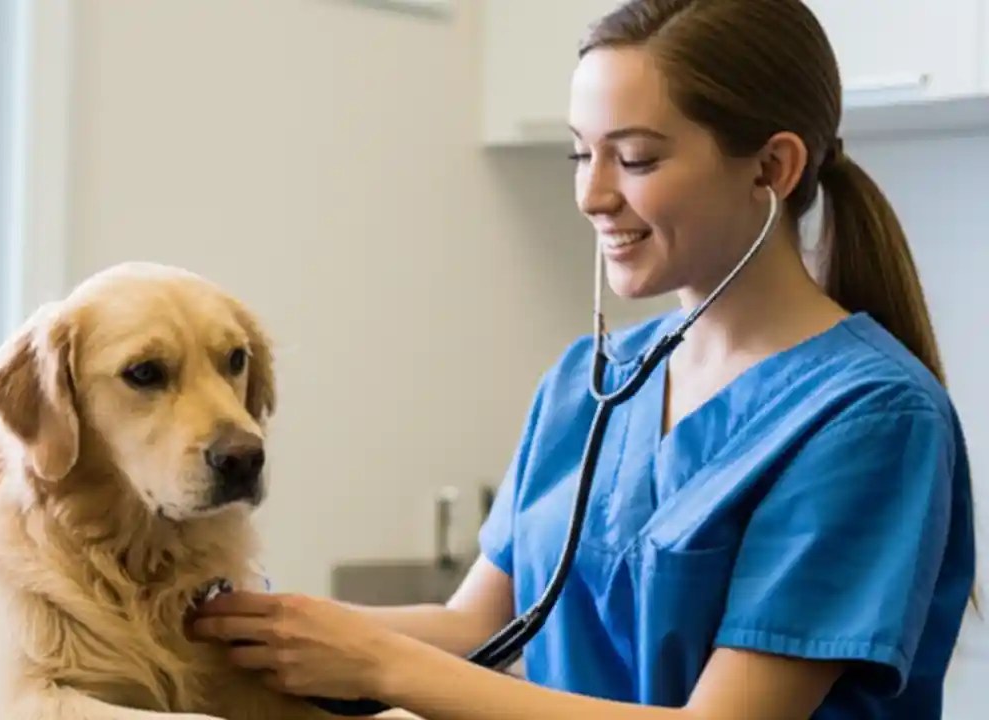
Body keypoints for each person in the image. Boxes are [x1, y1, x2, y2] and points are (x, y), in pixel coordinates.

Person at [190, 0, 978, 717]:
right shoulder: (586, 382)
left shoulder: (870, 418)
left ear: (772, 169)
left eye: (634, 160)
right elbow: (475, 624)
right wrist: (251, 626)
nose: (592, 195)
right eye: (580, 156)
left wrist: (381, 666)